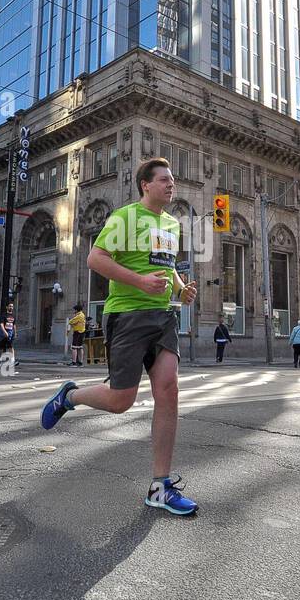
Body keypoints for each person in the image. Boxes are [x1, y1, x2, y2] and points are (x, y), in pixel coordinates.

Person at [41, 158, 199, 515]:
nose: (171, 185)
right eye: (164, 180)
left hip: (163, 317)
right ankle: (71, 396)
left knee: (168, 389)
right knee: (121, 401)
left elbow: (166, 265)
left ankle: (161, 485)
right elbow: (95, 260)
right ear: (146, 184)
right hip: (126, 314)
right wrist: (139, 281)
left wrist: (180, 289)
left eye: (172, 180)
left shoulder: (172, 224)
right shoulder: (126, 217)